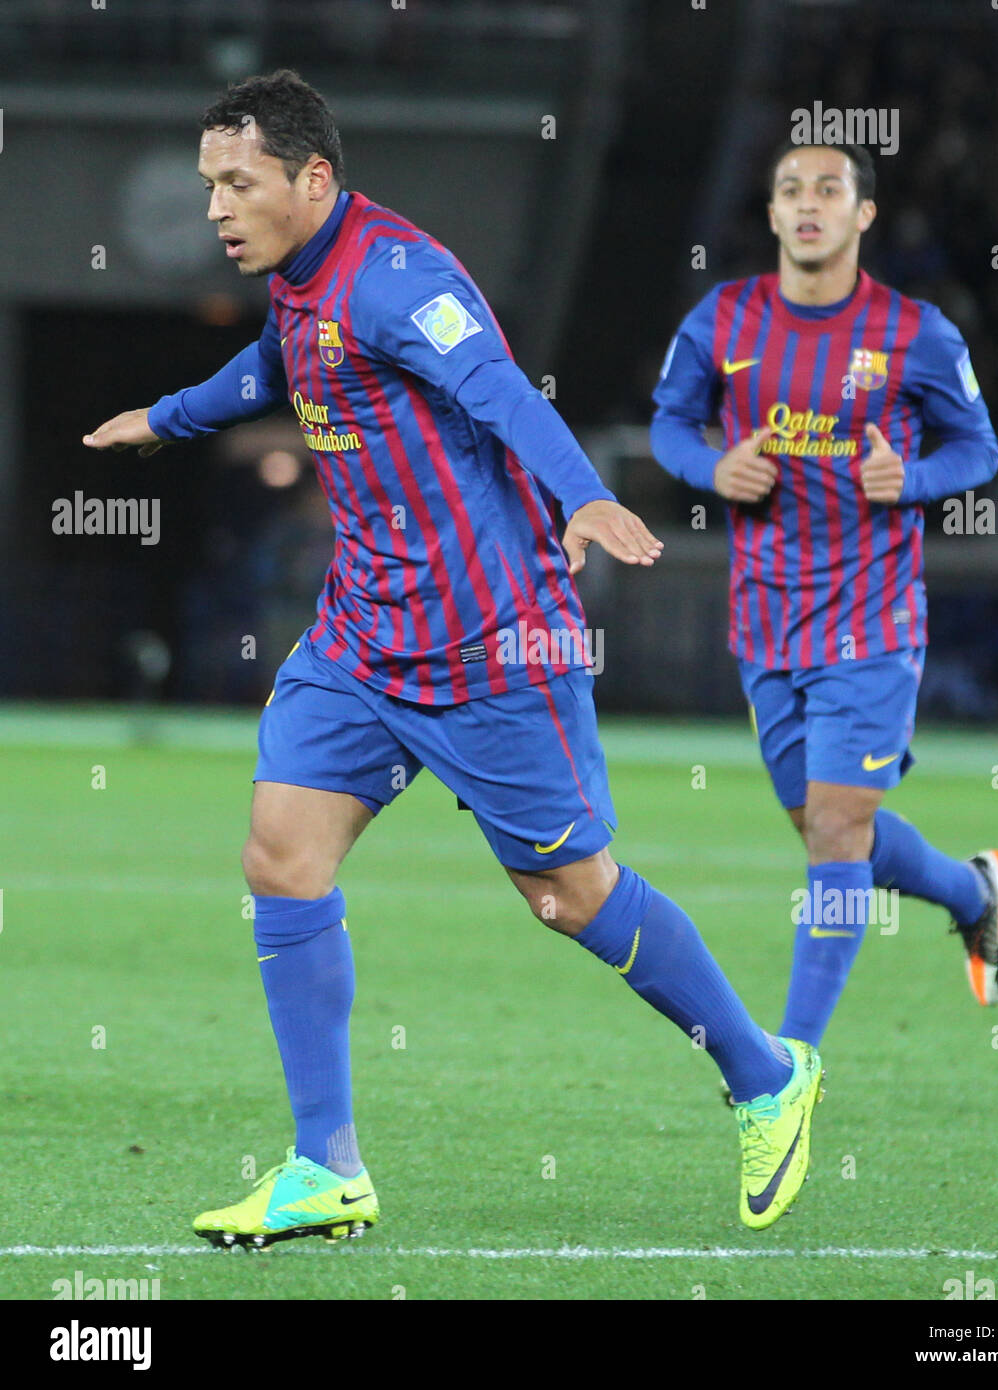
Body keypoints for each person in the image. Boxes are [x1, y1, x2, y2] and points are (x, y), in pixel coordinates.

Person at [83, 72, 822, 1243]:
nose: (216, 206)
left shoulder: (397, 278)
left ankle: (764, 1074)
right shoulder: (296, 280)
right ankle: (324, 1167)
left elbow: (498, 392)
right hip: (362, 637)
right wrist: (168, 417)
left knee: (567, 895)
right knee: (281, 857)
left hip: (490, 642)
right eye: (208, 183)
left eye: (237, 182)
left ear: (311, 178)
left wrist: (580, 495)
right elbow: (275, 368)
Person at [651, 141, 998, 1051]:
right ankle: (975, 891)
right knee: (822, 825)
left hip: (873, 617)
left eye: (829, 189)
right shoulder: (722, 319)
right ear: (773, 214)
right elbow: (669, 424)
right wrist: (711, 466)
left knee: (838, 827)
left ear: (864, 215)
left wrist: (914, 479)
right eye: (790, 190)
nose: (808, 203)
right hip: (766, 618)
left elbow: (979, 448)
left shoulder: (916, 333)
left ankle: (792, 1065)